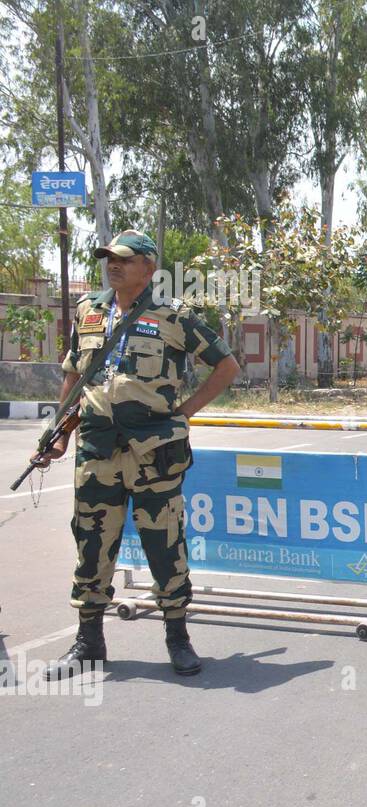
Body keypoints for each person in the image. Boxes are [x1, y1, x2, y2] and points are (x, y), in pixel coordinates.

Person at [35, 230, 240, 679]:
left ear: (148, 268)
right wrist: (59, 432)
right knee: (91, 541)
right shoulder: (89, 311)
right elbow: (74, 373)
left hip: (154, 453)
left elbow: (227, 366)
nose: (114, 265)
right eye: (109, 258)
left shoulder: (173, 316)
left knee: (164, 543)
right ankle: (89, 641)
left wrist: (183, 414)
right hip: (97, 448)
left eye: (124, 260)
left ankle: (177, 638)